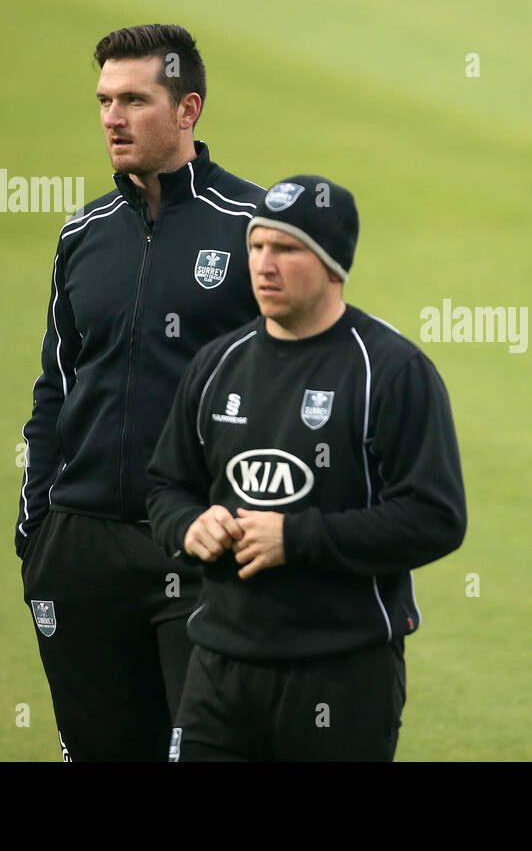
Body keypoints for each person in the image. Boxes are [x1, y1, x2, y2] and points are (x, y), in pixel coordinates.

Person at [146, 175, 466, 761]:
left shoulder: (390, 371)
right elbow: (168, 485)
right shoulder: (217, 365)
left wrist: (296, 538)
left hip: (342, 673)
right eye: (256, 246)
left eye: (287, 249)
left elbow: (435, 517)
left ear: (332, 265)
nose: (264, 265)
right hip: (219, 669)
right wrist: (189, 526)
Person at [16, 24, 266, 761]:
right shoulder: (84, 233)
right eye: (104, 101)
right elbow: (55, 386)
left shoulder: (255, 229)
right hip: (80, 549)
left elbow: (292, 388)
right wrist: (38, 531)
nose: (113, 119)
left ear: (188, 109)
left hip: (200, 547)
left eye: (134, 100)